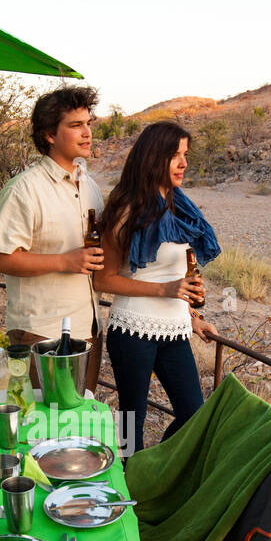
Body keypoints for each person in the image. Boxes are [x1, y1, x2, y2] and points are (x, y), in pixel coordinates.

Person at [95, 121, 220, 454]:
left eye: (185, 155)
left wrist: (191, 316)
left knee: (194, 415)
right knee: (130, 422)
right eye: (174, 155)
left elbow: (174, 272)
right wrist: (166, 289)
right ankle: (126, 486)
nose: (183, 164)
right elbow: (103, 280)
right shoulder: (126, 209)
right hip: (133, 328)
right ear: (153, 158)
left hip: (175, 330)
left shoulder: (179, 207)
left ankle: (152, 472)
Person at [0, 86, 105, 391]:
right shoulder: (24, 189)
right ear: (50, 134)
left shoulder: (90, 186)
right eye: (76, 125)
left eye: (88, 123)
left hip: (88, 328)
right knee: (45, 425)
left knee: (78, 420)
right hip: (41, 331)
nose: (87, 132)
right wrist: (66, 260)